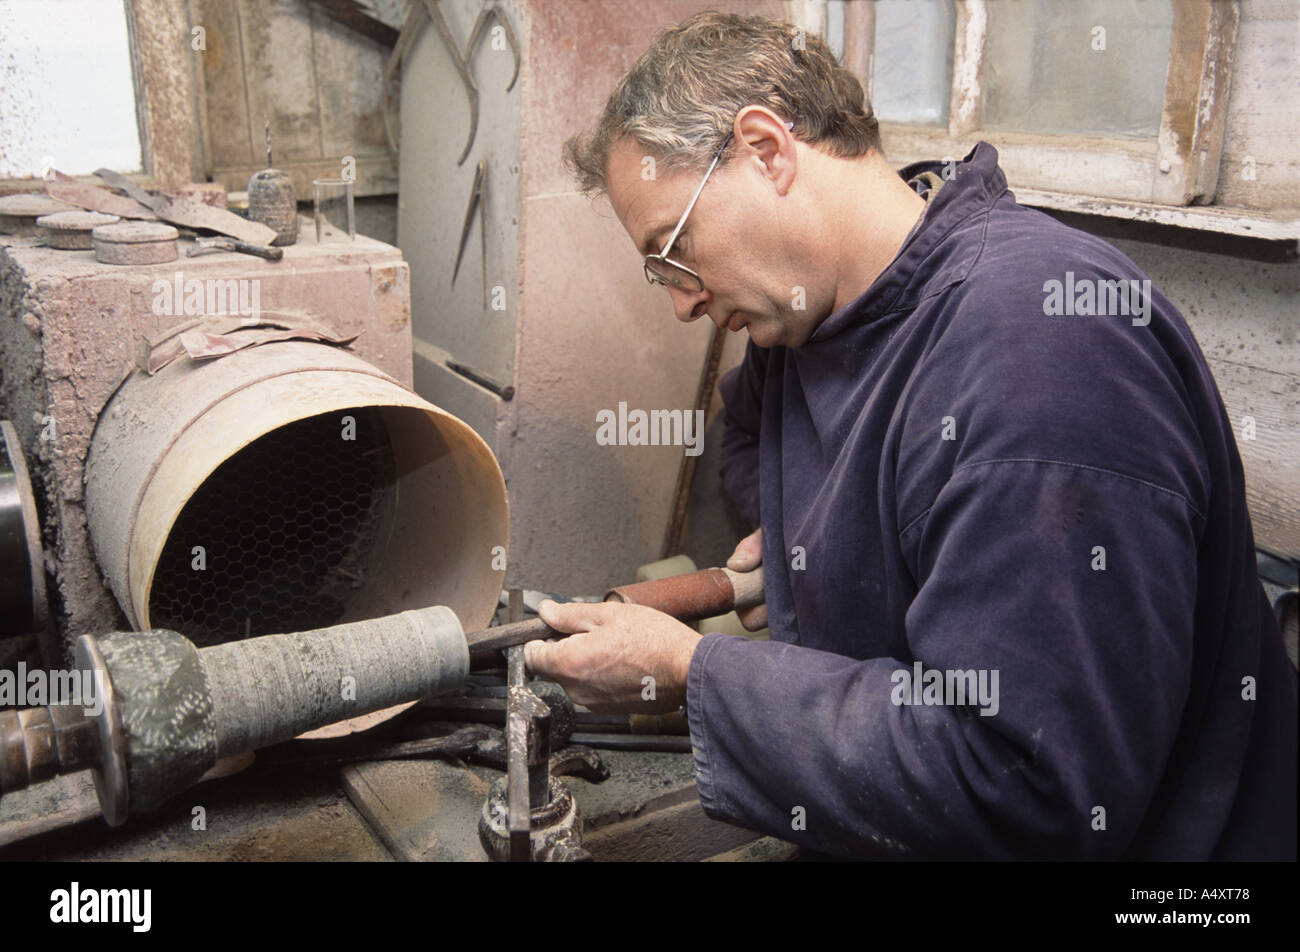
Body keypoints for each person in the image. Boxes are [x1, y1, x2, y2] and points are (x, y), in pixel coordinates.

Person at [523, 11, 1297, 860]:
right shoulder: (807, 316)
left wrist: (690, 670)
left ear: (766, 150)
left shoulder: (1045, 352)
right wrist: (789, 549)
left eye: (673, 251)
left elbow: (1024, 785)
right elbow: (748, 437)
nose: (681, 303)